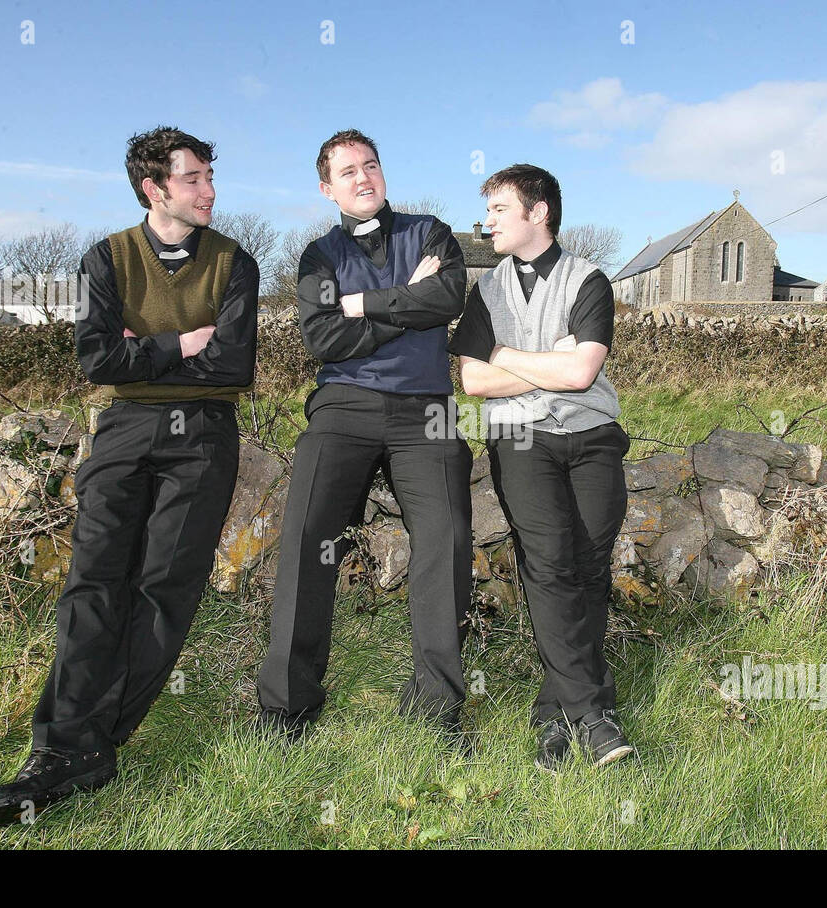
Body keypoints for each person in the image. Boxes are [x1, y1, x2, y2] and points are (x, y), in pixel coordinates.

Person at [0, 126, 259, 826]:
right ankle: (67, 744)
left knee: (165, 587)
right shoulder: (104, 258)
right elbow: (98, 360)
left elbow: (235, 366)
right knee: (94, 580)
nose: (209, 190)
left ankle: (88, 744)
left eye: (209, 177)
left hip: (202, 430)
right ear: (153, 187)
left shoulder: (235, 262)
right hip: (125, 426)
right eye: (192, 178)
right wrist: (181, 342)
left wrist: (151, 351)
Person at [254, 129, 472, 739]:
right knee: (305, 537)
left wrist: (361, 305)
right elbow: (323, 340)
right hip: (343, 406)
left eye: (370, 165)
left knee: (447, 536)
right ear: (327, 189)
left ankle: (435, 705)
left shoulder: (429, 231)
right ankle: (287, 706)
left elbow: (447, 298)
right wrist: (405, 300)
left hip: (426, 409)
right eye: (347, 172)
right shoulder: (318, 257)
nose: (363, 178)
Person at [447, 163, 633, 771]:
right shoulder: (486, 291)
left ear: (539, 212)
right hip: (519, 439)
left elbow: (582, 375)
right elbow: (473, 380)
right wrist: (543, 357)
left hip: (593, 437)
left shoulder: (590, 281)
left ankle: (555, 709)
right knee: (549, 560)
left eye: (500, 209)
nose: (488, 221)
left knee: (588, 563)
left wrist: (506, 356)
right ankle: (592, 714)